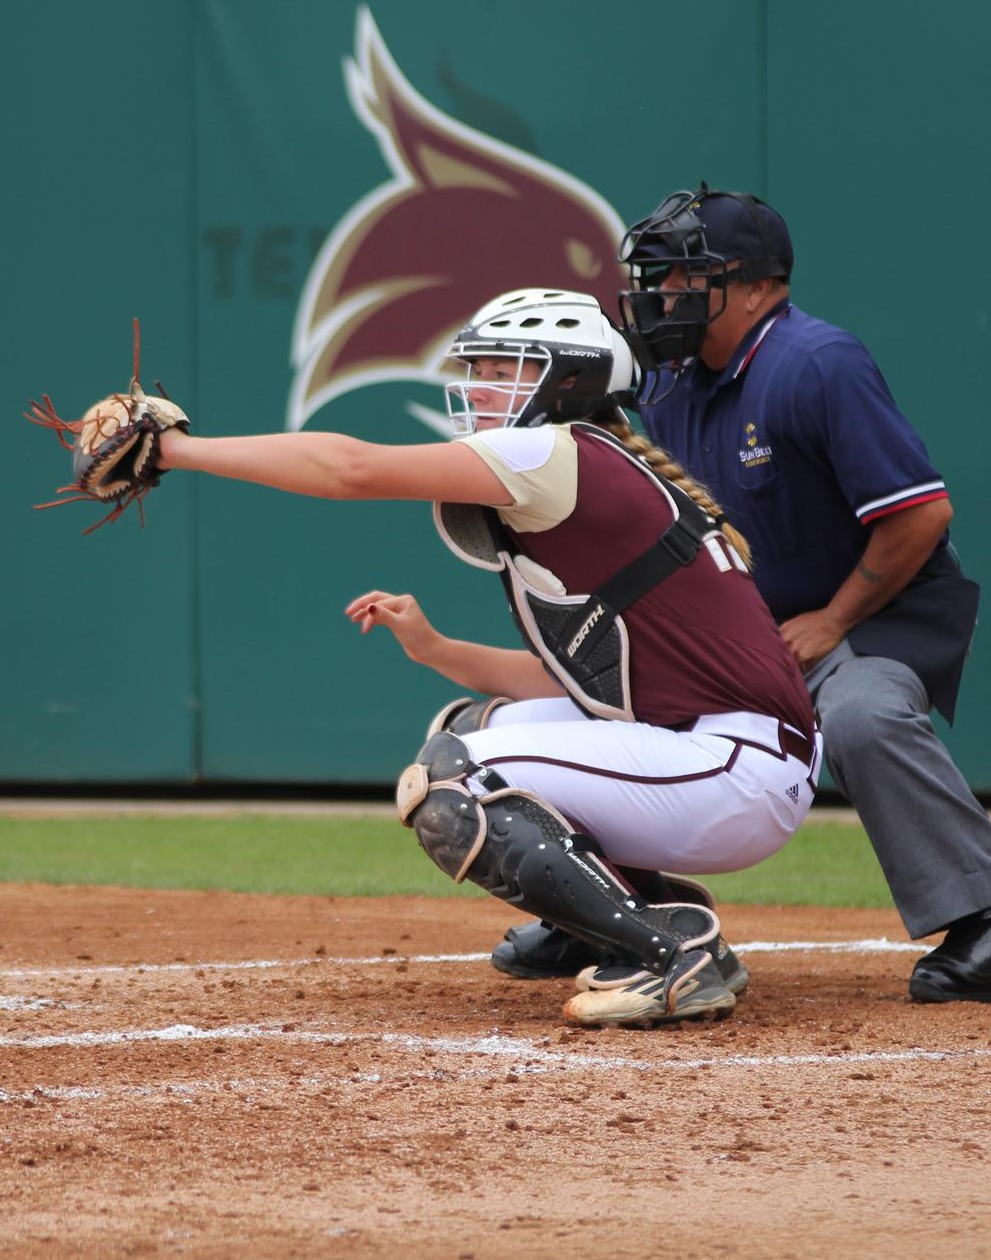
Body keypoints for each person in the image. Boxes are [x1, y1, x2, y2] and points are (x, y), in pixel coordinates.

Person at [156, 288, 820, 1027]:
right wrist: (436, 649)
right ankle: (636, 920)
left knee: (456, 783)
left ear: (570, 382)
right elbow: (591, 684)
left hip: (735, 766)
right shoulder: (590, 462)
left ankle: (671, 958)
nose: (478, 386)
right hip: (725, 757)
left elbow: (349, 469)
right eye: (480, 367)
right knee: (471, 725)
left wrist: (174, 450)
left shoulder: (556, 447)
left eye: (504, 368)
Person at [491, 187, 991, 1005]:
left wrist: (831, 622)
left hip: (876, 617)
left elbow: (921, 515)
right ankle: (609, 909)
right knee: (607, 708)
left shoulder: (815, 363)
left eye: (684, 277)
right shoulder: (676, 383)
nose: (663, 296)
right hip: (754, 630)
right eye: (657, 276)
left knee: (861, 718)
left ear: (756, 285)